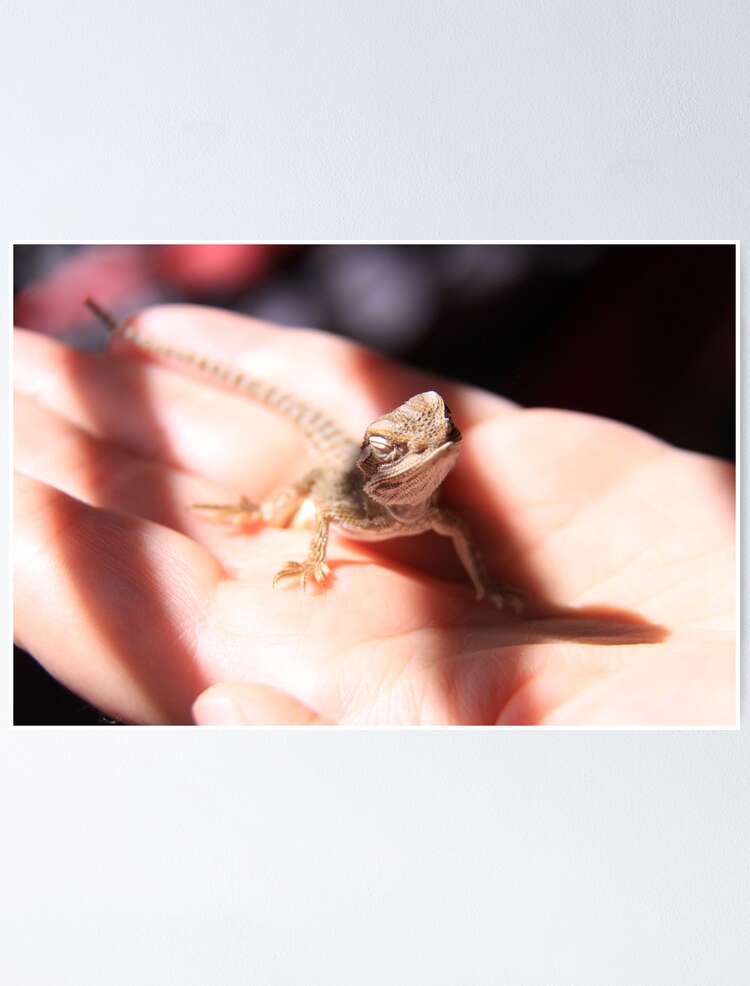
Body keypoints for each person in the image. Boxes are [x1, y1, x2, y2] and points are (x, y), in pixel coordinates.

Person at [13, 307, 736, 725]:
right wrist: (296, 537)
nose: (441, 447)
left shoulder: (434, 515)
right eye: (402, 449)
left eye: (442, 433)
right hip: (327, 482)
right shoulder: (354, 501)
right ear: (376, 465)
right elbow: (322, 508)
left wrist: (487, 583)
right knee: (293, 479)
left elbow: (459, 532)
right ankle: (138, 338)